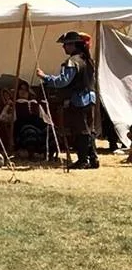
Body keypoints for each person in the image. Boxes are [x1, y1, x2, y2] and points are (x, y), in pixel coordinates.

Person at [38, 31, 98, 169]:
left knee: (81, 130)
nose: (63, 48)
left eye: (65, 45)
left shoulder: (72, 61)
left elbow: (63, 81)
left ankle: (83, 160)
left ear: (72, 45)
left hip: (79, 99)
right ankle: (93, 158)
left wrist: (45, 77)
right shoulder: (87, 59)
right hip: (90, 98)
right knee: (89, 130)